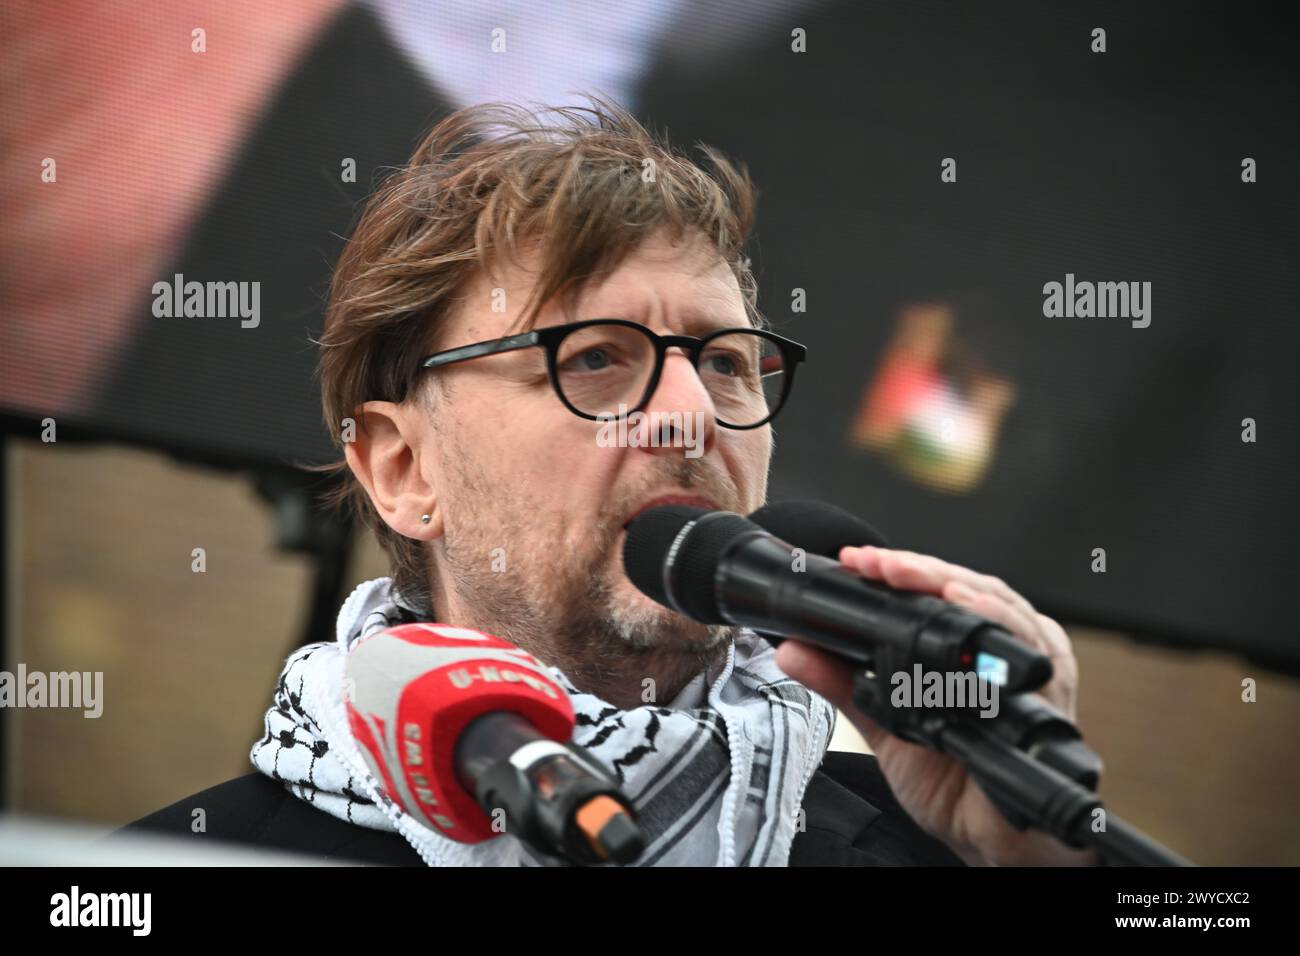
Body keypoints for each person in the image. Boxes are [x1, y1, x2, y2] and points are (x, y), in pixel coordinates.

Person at [121, 99, 1097, 866]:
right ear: (403, 466)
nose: (691, 412)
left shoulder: (936, 838)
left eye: (724, 361)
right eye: (592, 357)